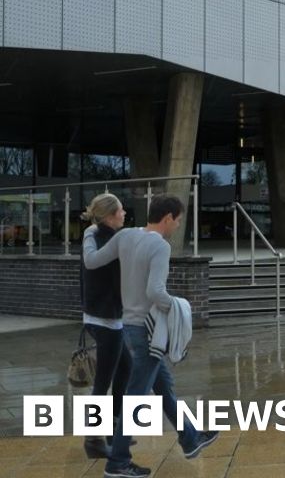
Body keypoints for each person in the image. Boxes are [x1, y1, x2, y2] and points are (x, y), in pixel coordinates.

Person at [84, 195, 218, 478]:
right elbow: (155, 292)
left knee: (164, 386)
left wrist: (89, 231)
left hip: (130, 326)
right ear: (167, 217)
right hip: (147, 330)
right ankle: (118, 462)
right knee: (135, 398)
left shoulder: (126, 236)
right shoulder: (160, 245)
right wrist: (180, 307)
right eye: (178, 220)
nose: (178, 225)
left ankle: (190, 439)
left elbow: (93, 261)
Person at [80, 194, 132, 460]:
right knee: (102, 382)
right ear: (110, 215)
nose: (124, 214)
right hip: (105, 319)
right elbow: (114, 280)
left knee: (126, 367)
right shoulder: (104, 239)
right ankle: (93, 439)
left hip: (105, 317)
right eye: (121, 211)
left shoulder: (100, 236)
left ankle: (114, 429)